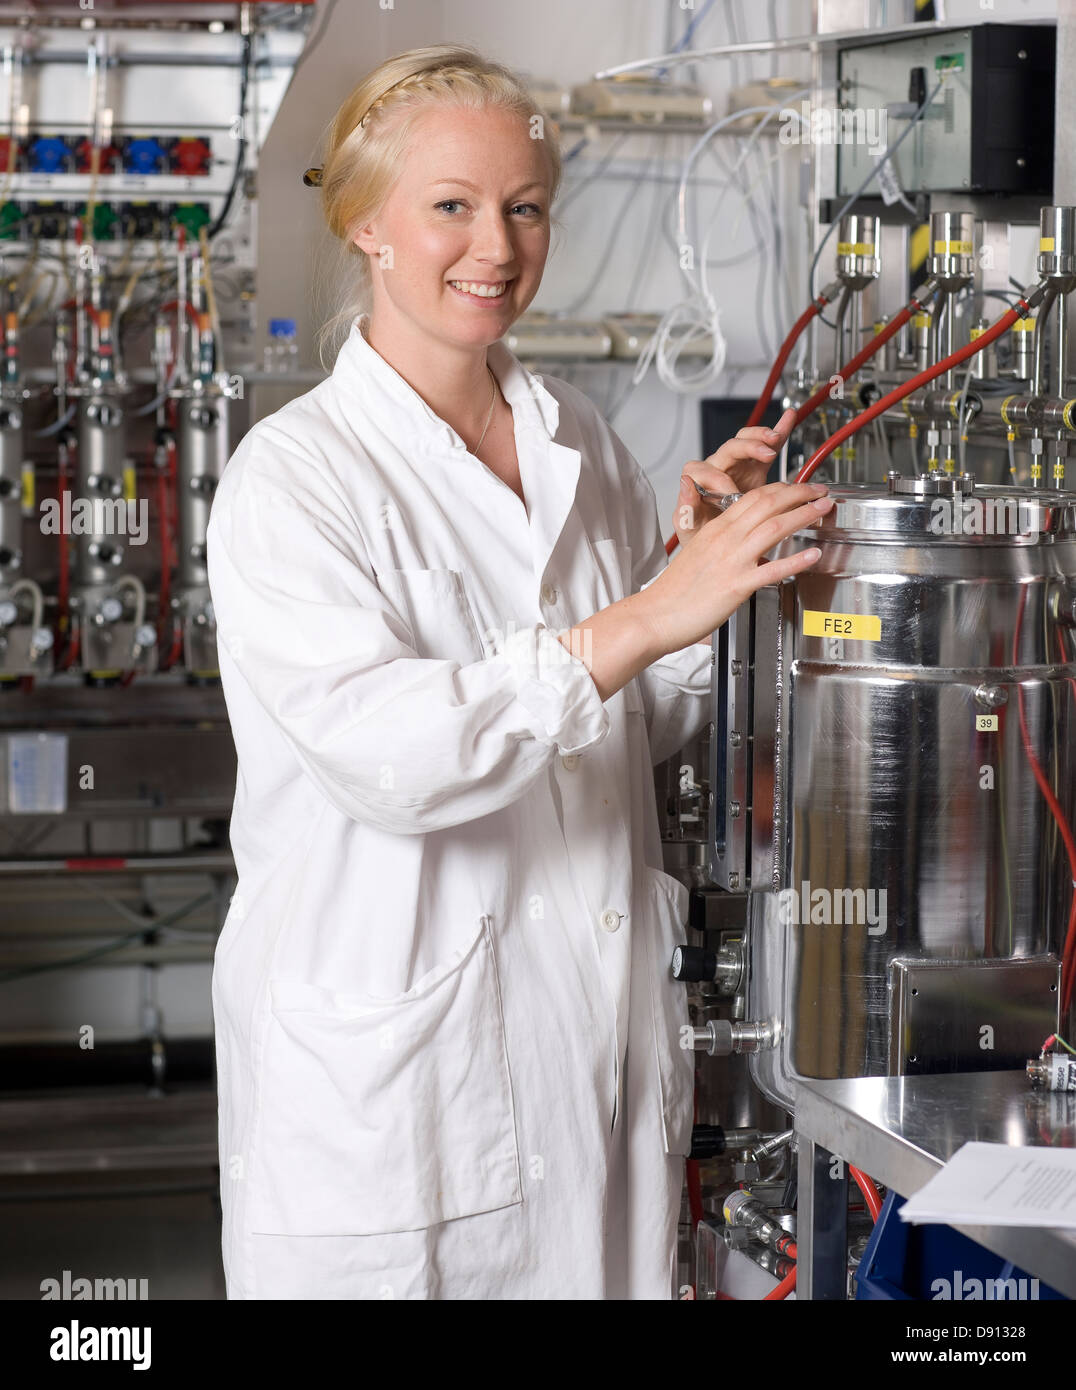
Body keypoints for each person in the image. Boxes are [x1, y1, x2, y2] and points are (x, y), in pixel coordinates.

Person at [205, 43, 832, 1301]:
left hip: (590, 1058)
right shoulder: (294, 479)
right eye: (450, 206)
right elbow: (394, 757)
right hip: (397, 1113)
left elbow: (626, 727)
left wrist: (717, 585)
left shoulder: (577, 443)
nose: (493, 243)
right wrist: (648, 613)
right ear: (367, 226)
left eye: (524, 206)